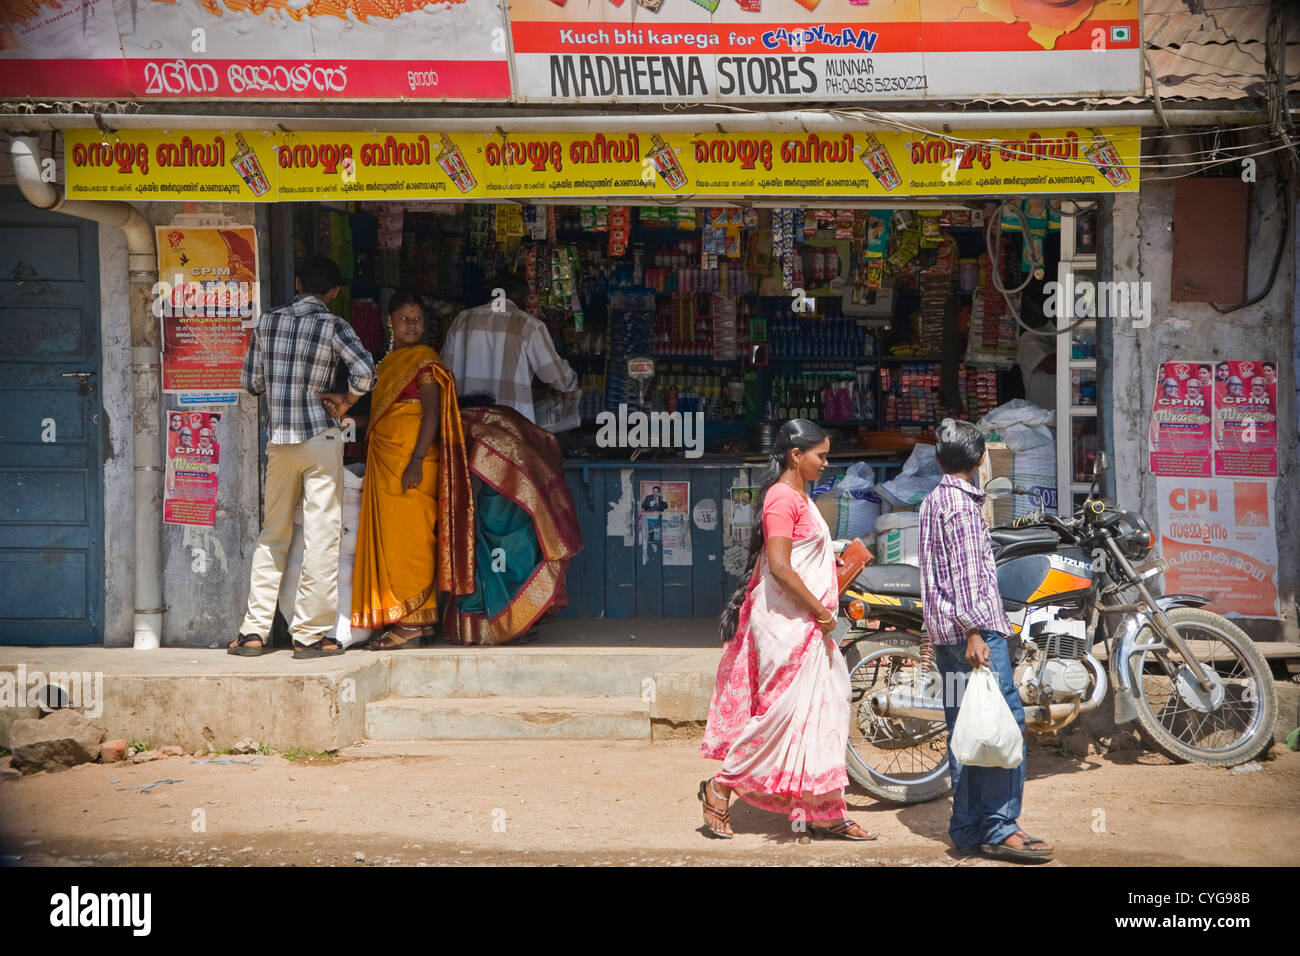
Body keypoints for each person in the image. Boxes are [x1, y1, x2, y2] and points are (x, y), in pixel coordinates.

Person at [698, 419, 874, 842]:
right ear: (796, 456)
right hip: (789, 628)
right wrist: (822, 612)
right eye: (822, 455)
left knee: (823, 713)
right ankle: (719, 787)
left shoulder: (801, 497)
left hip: (807, 626)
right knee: (779, 717)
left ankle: (826, 811)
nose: (826, 463)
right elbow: (779, 567)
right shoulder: (782, 498)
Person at [918, 418, 1053, 863]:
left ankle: (968, 826)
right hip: (973, 635)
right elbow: (965, 575)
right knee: (1002, 723)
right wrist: (975, 631)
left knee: (968, 729)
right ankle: (1000, 826)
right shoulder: (960, 506)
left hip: (948, 635)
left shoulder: (933, 501)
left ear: (939, 459)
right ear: (979, 462)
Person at [229, 255, 376, 659]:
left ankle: (253, 633)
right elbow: (366, 372)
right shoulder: (333, 325)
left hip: (280, 442)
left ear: (296, 283)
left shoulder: (268, 322)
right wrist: (346, 400)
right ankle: (309, 636)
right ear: (334, 292)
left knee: (273, 534)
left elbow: (251, 382)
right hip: (320, 440)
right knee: (322, 538)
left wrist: (280, 383)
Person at [349, 290, 475, 649]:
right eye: (404, 318)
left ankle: (410, 623)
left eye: (417, 319)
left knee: (413, 542)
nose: (411, 324)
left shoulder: (425, 360)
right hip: (389, 461)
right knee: (396, 544)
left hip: (412, 464)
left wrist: (417, 461)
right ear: (390, 322)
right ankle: (415, 623)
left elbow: (431, 415)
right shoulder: (388, 364)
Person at [443, 400, 584, 645]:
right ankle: (510, 625)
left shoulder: (469, 426)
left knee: (497, 558)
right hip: (514, 497)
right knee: (511, 559)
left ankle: (503, 626)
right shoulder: (499, 421)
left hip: (505, 498)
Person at [439, 271, 577, 426]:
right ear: (523, 298)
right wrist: (570, 385)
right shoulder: (529, 325)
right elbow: (553, 373)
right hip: (511, 424)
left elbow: (444, 370)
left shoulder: (462, 319)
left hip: (466, 421)